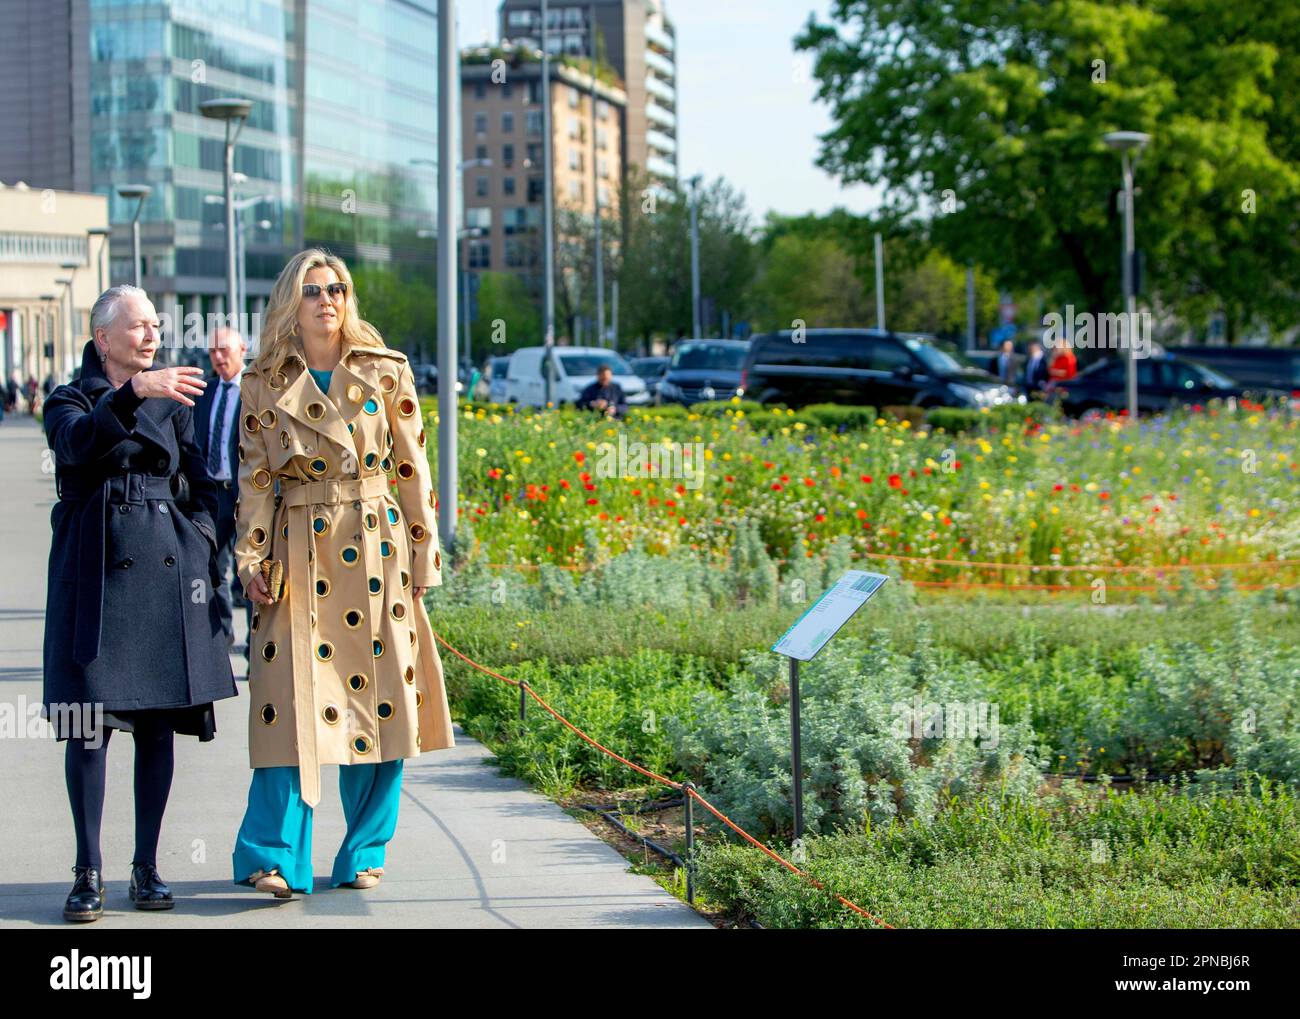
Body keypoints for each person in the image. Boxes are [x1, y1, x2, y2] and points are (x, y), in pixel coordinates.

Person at [231, 248, 456, 898]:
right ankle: (271, 854)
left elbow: (413, 469)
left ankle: (363, 850)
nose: (327, 299)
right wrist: (251, 558)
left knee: (385, 704)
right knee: (285, 705)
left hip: (378, 545)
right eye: (312, 289)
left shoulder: (386, 372)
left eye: (337, 288)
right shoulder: (264, 381)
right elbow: (255, 481)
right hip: (299, 550)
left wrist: (423, 555)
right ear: (290, 302)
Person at [42, 284, 238, 922]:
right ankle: (87, 870)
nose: (151, 335)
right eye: (137, 327)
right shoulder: (69, 397)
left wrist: (203, 538)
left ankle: (147, 865)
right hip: (94, 569)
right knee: (88, 726)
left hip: (165, 568)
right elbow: (77, 447)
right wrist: (134, 394)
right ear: (103, 339)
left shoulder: (175, 399)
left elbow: (205, 483)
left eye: (155, 325)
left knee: (157, 724)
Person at [194, 326, 249, 657]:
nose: (218, 357)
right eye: (213, 351)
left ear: (242, 349)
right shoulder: (205, 392)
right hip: (214, 495)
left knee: (253, 570)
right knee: (210, 566)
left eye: (224, 350)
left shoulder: (256, 391)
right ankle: (221, 637)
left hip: (246, 496)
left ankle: (254, 652)